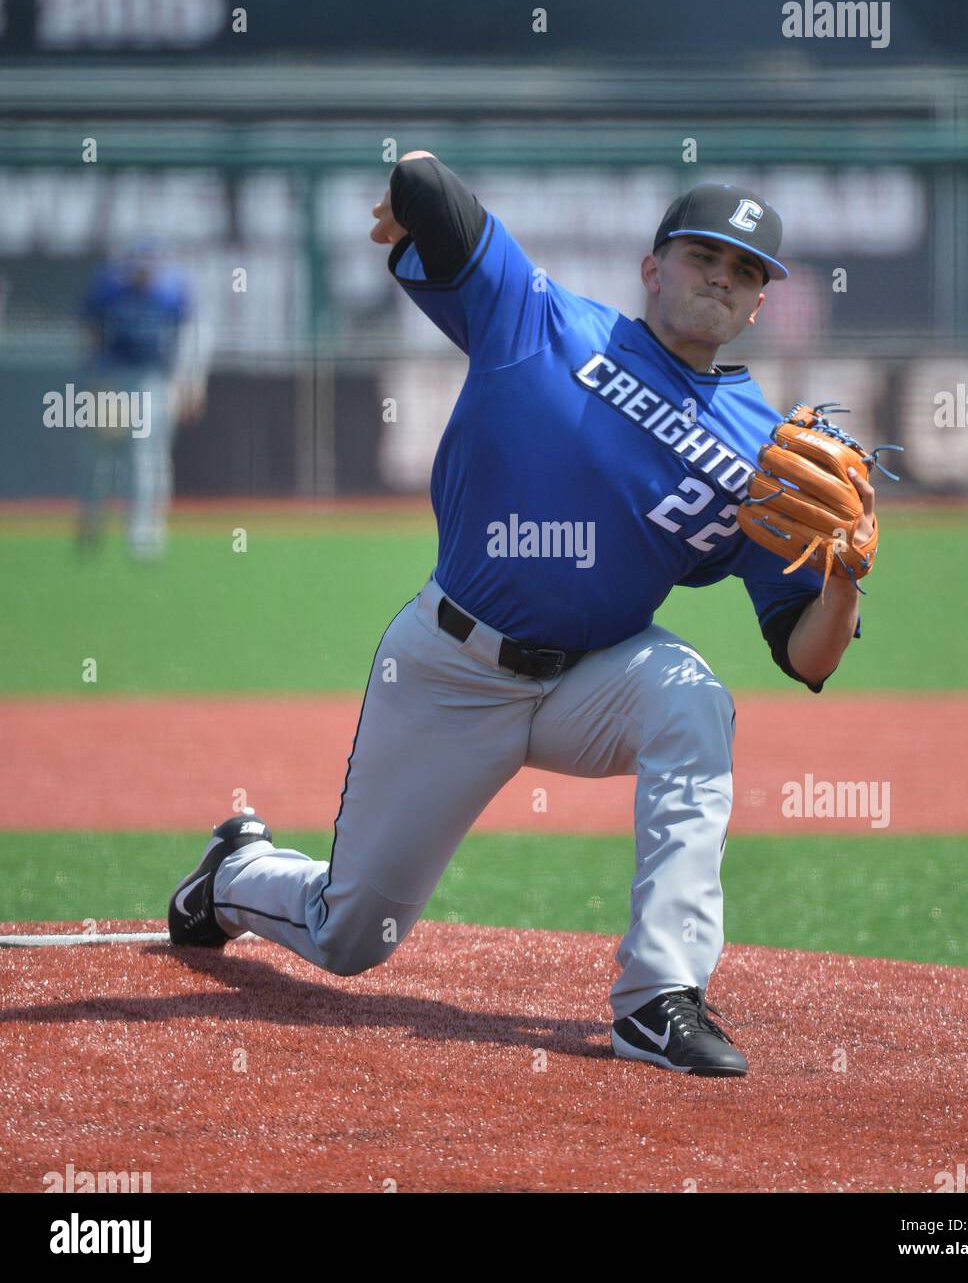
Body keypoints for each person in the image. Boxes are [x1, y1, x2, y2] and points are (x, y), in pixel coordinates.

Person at [168, 155, 876, 1078]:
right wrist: (413, 188)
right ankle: (233, 872)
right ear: (651, 267)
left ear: (756, 307)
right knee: (351, 937)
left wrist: (846, 580)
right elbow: (433, 190)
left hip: (593, 678)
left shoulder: (766, 459)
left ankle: (658, 998)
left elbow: (807, 658)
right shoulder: (539, 322)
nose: (722, 277)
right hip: (450, 669)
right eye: (703, 254)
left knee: (693, 700)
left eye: (745, 272)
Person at [77, 240, 205, 560]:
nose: (143, 274)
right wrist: (94, 379)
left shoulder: (171, 293)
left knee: (146, 454)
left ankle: (143, 531)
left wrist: (186, 381)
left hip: (152, 379)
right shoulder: (108, 290)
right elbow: (90, 333)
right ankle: (92, 523)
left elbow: (188, 335)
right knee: (102, 458)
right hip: (113, 376)